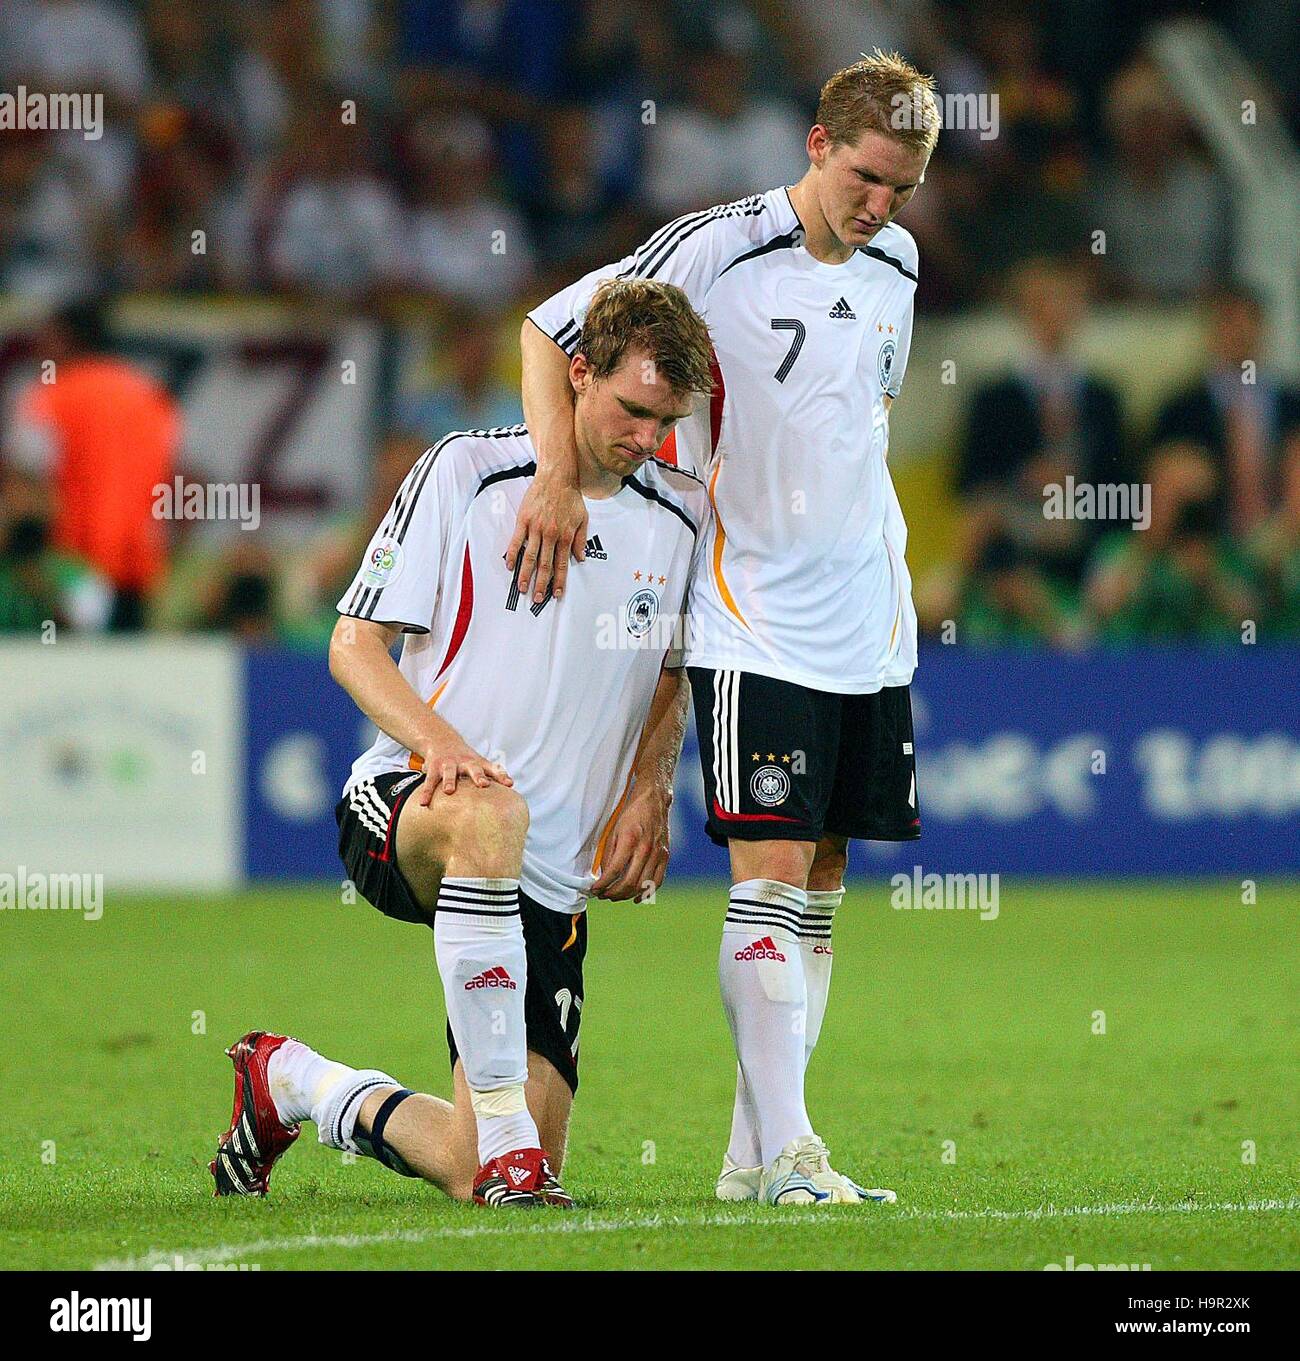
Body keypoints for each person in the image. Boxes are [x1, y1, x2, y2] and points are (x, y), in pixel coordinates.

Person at [507, 50, 933, 1206]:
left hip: (869, 615)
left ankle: (755, 1156)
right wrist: (554, 476)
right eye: (865, 176)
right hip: (753, 614)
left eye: (901, 186)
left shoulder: (897, 263)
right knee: (769, 868)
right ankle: (796, 1150)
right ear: (815, 144)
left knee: (826, 875)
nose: (880, 205)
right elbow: (550, 333)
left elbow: (855, 427)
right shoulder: (717, 246)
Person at [209, 279, 713, 1207]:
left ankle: (291, 1083)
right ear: (578, 372)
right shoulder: (466, 472)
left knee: (482, 1168)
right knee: (491, 813)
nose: (647, 438)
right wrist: (439, 744)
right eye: (633, 409)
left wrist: (651, 789)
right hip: (411, 803)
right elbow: (353, 645)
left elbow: (674, 671)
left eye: (667, 419)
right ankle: (514, 1140)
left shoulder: (683, 517)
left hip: (552, 873)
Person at [7, 297, 181, 631]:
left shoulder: (48, 397)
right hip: (135, 565)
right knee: (124, 677)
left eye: (46, 337)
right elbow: (177, 477)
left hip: (65, 569)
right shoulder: (150, 395)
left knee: (58, 677)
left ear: (66, 339)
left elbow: (24, 484)